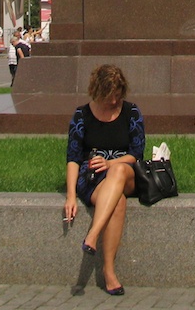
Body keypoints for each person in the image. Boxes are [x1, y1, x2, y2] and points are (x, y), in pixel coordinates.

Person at [65, 64, 145, 296]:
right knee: (117, 201)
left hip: (126, 173)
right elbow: (73, 158)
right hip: (93, 179)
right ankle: (109, 273)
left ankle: (93, 235)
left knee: (118, 171)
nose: (114, 101)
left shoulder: (131, 112)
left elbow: (136, 154)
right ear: (97, 91)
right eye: (109, 96)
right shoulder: (82, 115)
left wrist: (111, 163)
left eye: (118, 95)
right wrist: (71, 195)